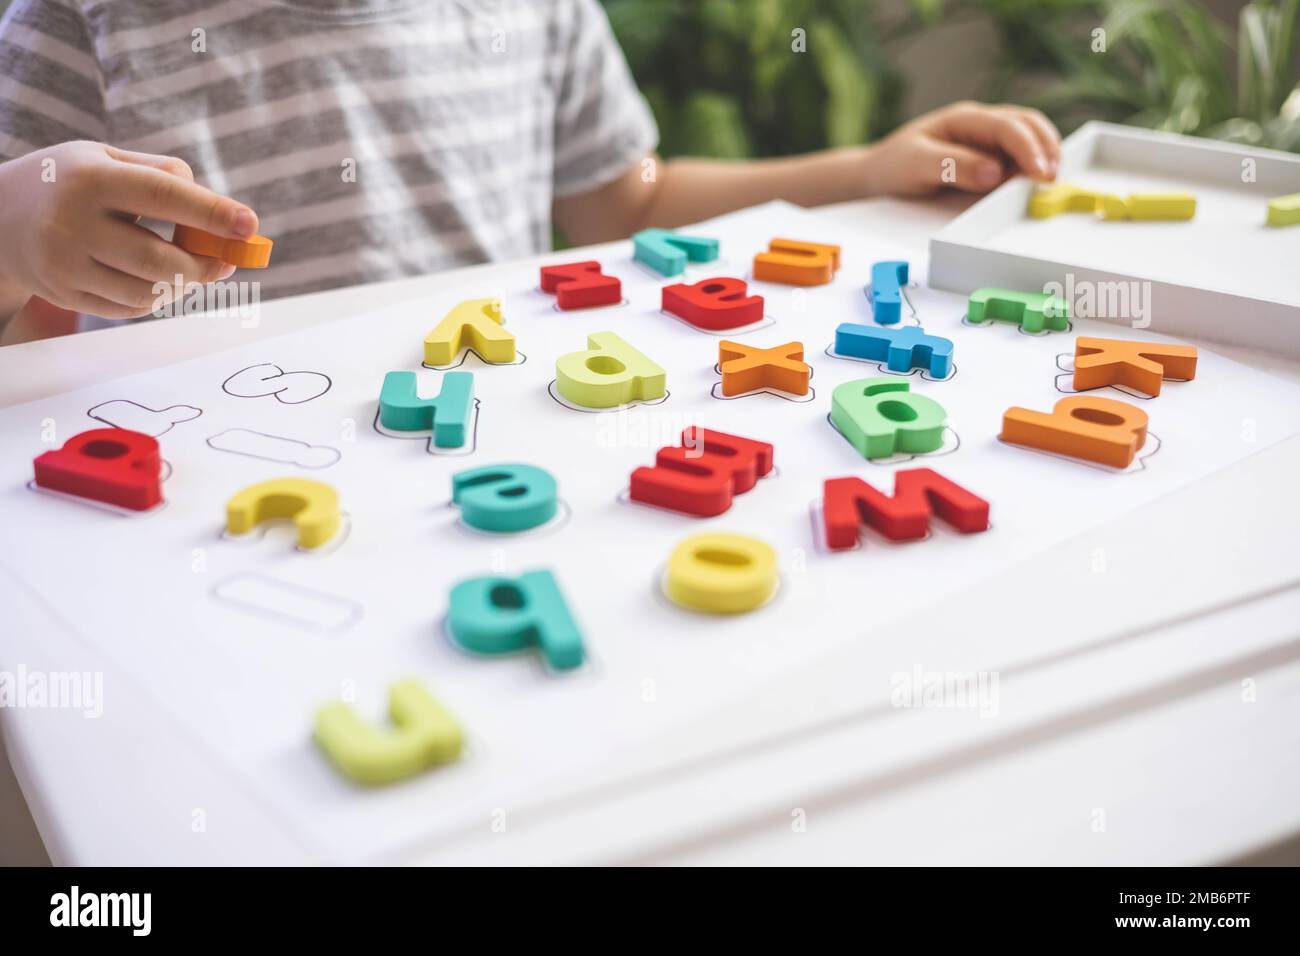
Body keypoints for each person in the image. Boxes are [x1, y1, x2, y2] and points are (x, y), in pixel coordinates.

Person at [0, 0, 1059, 344]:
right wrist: (16, 230)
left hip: (480, 465)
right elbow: (24, 332)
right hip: (201, 500)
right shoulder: (80, 20)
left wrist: (858, 168)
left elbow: (625, 199)